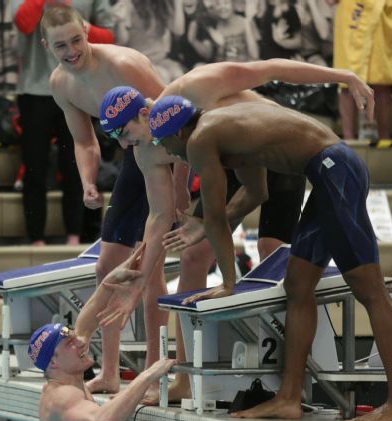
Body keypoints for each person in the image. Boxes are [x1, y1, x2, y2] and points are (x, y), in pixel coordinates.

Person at [97, 59, 374, 403]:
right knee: (193, 256)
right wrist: (140, 280)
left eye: (122, 134)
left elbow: (272, 69)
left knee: (274, 253)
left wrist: (343, 76)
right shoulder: (146, 152)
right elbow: (158, 218)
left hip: (281, 150)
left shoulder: (196, 86)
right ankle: (185, 373)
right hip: (230, 163)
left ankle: (292, 377)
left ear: (143, 113)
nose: (124, 145)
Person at [140, 95, 392, 421]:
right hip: (330, 174)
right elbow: (255, 193)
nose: (168, 152)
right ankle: (289, 397)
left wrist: (227, 282)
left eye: (162, 142)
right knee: (297, 285)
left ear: (177, 133)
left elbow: (217, 217)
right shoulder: (225, 131)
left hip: (335, 172)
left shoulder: (200, 139)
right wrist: (201, 226)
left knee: (370, 289)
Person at [40, 4, 189, 401]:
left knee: (149, 269)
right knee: (108, 266)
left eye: (76, 39)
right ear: (46, 46)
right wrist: (88, 182)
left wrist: (179, 189)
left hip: (163, 154)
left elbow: (172, 127)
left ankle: (154, 376)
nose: (72, 50)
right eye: (61, 45)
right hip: (133, 158)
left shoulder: (123, 66)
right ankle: (108, 372)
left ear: (87, 30)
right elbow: (85, 139)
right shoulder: (61, 84)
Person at [29, 245, 176, 421]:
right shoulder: (63, 397)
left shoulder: (67, 381)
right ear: (53, 362)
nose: (80, 342)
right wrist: (147, 375)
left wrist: (110, 282)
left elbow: (85, 323)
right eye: (70, 343)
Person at [12, 0, 111, 245]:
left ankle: (75, 236)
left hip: (77, 87)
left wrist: (77, 27)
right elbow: (22, 23)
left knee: (76, 165)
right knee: (34, 167)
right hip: (35, 91)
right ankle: (36, 238)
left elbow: (108, 38)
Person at [332, 0, 392, 141]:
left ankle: (384, 140)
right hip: (352, 10)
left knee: (381, 79)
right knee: (346, 79)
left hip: (383, 7)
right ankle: (348, 141)